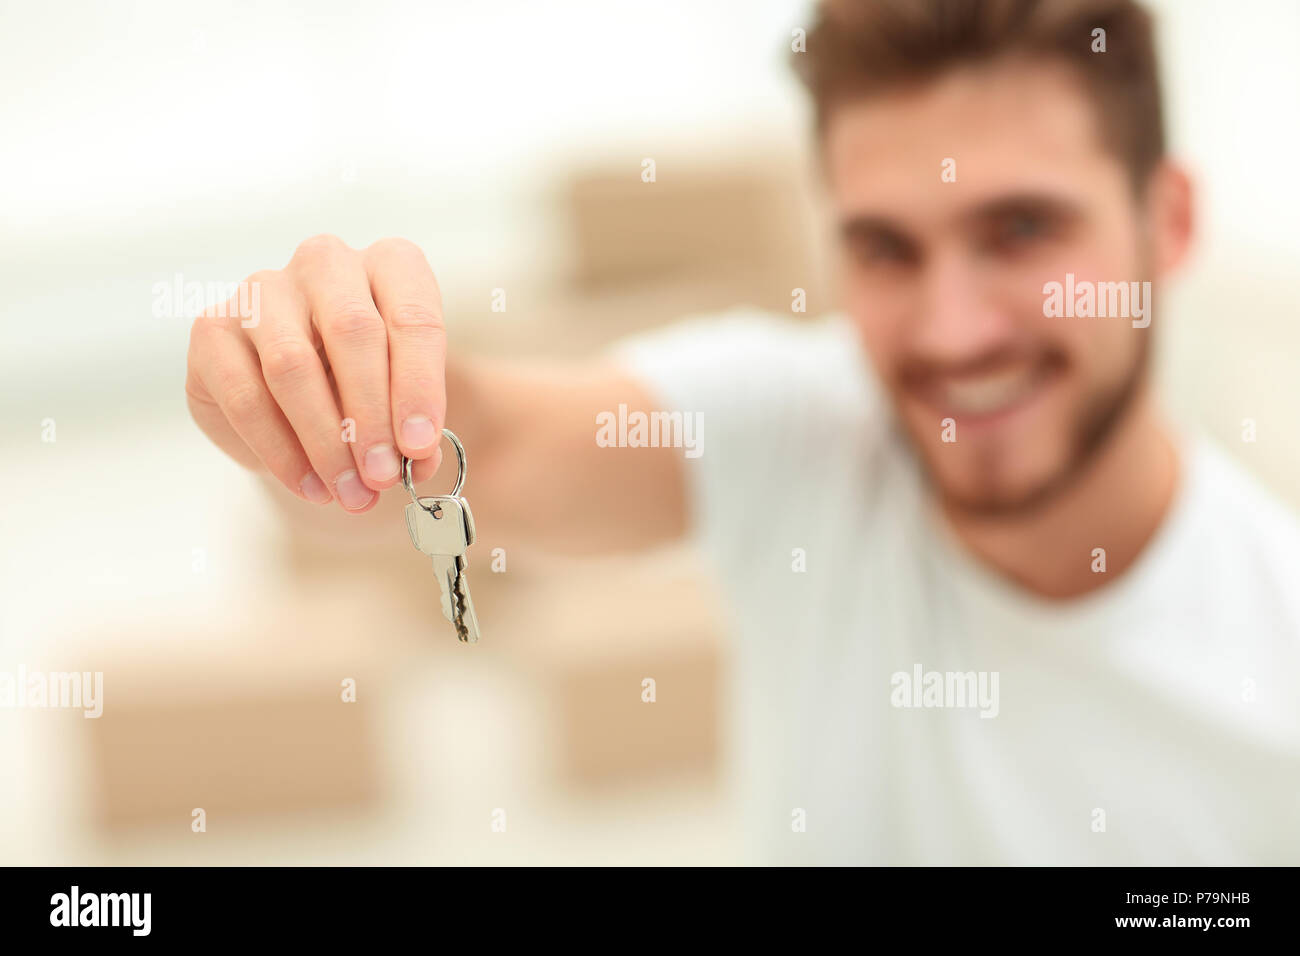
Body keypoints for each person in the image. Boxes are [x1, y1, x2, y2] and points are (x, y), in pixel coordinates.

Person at [184, 0, 1300, 864]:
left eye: (1018, 229)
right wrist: (327, 397)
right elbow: (490, 446)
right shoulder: (803, 428)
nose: (953, 331)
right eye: (885, 248)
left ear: (1171, 221)